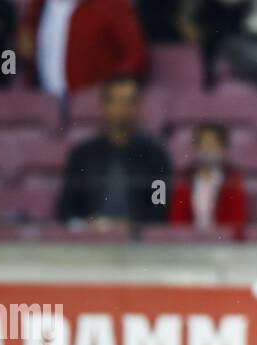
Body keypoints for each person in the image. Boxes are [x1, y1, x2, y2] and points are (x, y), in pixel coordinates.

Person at [19, 0, 148, 98]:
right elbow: (24, 47)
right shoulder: (39, 4)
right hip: (46, 102)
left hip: (91, 104)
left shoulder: (112, 3)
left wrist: (109, 91)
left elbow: (135, 55)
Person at [56, 77, 172, 231]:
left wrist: (133, 225)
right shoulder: (82, 154)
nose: (123, 108)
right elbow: (67, 206)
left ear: (138, 105)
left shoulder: (155, 154)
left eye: (129, 101)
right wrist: (89, 224)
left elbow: (160, 206)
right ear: (103, 104)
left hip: (139, 242)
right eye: (117, 101)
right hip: (91, 240)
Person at [169, 123, 248, 238]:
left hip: (223, 248)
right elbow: (177, 222)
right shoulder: (184, 183)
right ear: (196, 148)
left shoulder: (233, 184)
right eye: (203, 145)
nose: (208, 150)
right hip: (188, 247)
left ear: (224, 149)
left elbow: (236, 225)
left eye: (213, 145)